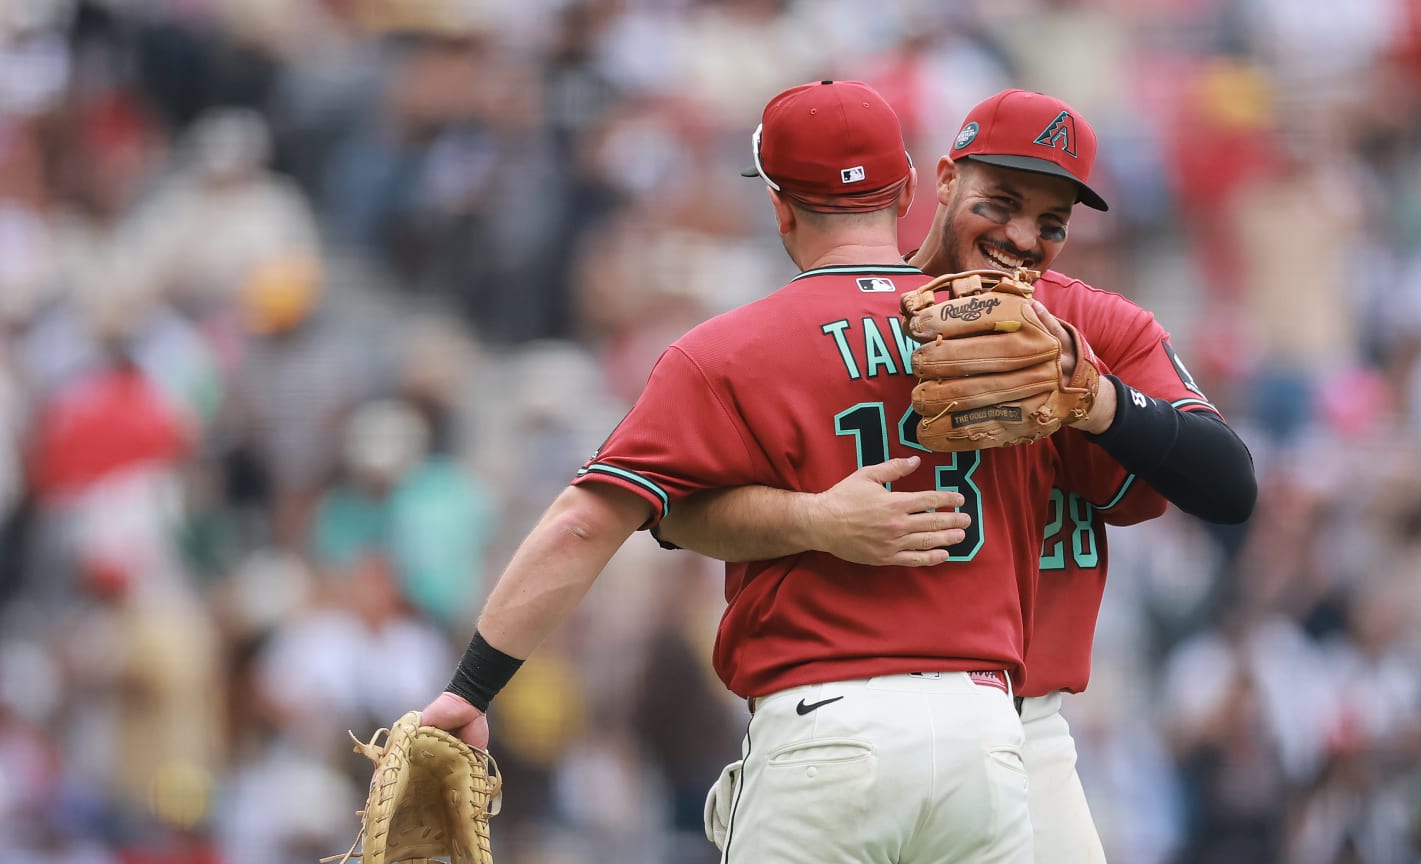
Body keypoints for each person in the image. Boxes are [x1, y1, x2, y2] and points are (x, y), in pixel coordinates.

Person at [419, 80, 1131, 862]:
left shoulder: (728, 352)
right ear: (907, 192)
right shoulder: (1013, 340)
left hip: (830, 732)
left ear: (780, 206)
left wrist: (471, 689)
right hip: (988, 741)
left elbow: (587, 521)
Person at [658, 89, 1258, 863]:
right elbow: (675, 509)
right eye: (1000, 202)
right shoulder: (834, 328)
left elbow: (1231, 484)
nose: (1021, 237)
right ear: (943, 179)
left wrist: (1095, 397)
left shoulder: (1095, 328)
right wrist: (810, 519)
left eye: (1051, 223)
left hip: (1022, 729)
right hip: (850, 715)